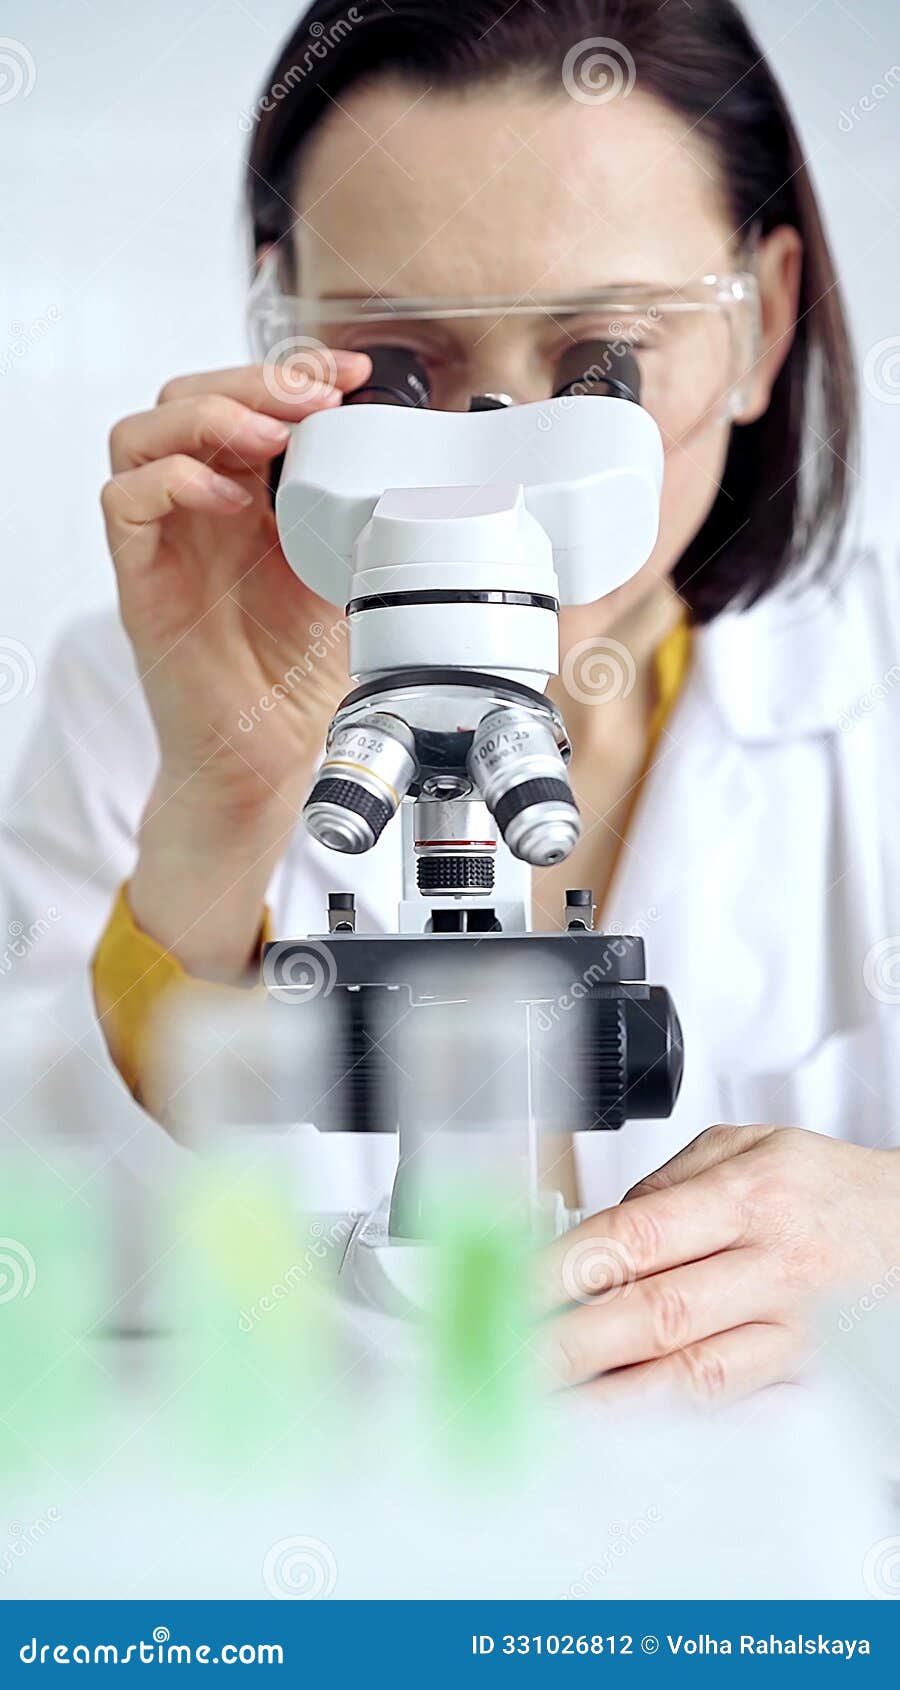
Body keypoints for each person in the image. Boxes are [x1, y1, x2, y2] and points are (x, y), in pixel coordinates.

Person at [3, 0, 899, 1404]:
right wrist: (220, 806)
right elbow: (35, 1282)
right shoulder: (133, 697)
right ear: (285, 326)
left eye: (602, 361)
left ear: (762, 320)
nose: (499, 461)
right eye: (400, 370)